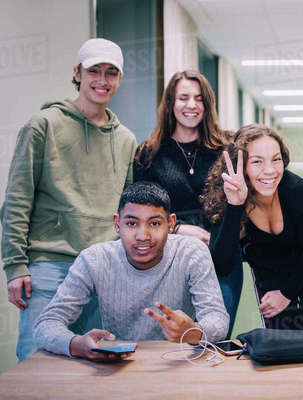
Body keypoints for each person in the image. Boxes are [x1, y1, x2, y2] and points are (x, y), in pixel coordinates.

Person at [1, 38, 137, 361]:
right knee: (39, 363)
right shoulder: (42, 126)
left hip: (103, 270)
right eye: (94, 71)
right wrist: (14, 265)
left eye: (111, 73)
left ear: (119, 79)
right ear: (77, 73)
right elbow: (17, 200)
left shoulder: (126, 140)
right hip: (49, 266)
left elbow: (126, 211)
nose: (102, 81)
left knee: (96, 365)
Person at [33, 181, 229, 361]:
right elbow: (46, 324)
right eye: (132, 223)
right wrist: (77, 345)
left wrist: (195, 331)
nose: (143, 236)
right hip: (116, 365)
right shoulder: (94, 259)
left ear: (170, 223)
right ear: (117, 223)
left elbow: (217, 318)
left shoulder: (192, 252)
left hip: (176, 363)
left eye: (154, 223)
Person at [134, 70, 242, 337]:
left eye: (199, 98)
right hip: (170, 262)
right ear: (171, 104)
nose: (191, 105)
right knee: (172, 342)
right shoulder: (150, 153)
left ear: (207, 105)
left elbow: (237, 204)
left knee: (213, 340)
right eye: (183, 97)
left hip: (221, 261)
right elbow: (141, 209)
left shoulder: (226, 147)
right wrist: (179, 228)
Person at [203, 124, 303, 330]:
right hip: (267, 252)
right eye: (257, 161)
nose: (269, 171)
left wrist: (286, 293)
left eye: (276, 159)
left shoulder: (294, 187)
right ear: (240, 165)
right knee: (280, 328)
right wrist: (235, 205)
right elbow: (221, 266)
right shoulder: (228, 197)